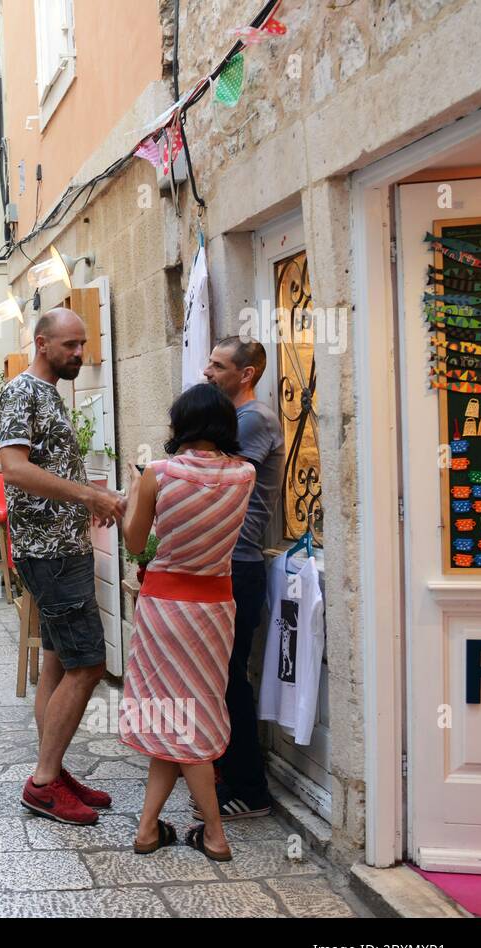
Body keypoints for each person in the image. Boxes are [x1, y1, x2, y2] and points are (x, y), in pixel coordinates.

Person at [0, 307, 127, 825]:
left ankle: (52, 768)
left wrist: (89, 500)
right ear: (42, 343)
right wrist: (88, 496)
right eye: (70, 345)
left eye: (83, 343)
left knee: (56, 662)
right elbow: (13, 468)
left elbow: (45, 468)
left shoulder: (47, 393)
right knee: (89, 663)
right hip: (49, 553)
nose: (80, 353)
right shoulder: (23, 391)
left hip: (60, 548)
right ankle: (44, 783)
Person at [120, 383, 255, 862]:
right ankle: (147, 827)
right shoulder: (244, 475)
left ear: (182, 425)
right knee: (183, 713)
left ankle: (214, 833)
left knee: (177, 716)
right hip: (215, 609)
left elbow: (136, 543)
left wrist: (133, 494)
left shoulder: (158, 473)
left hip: (163, 608)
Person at [202, 335, 285, 820]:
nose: (207, 373)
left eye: (217, 366)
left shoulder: (253, 419)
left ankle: (250, 789)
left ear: (245, 374)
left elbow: (228, 480)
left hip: (240, 563)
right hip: (230, 561)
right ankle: (228, 774)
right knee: (223, 675)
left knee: (231, 677)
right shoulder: (240, 418)